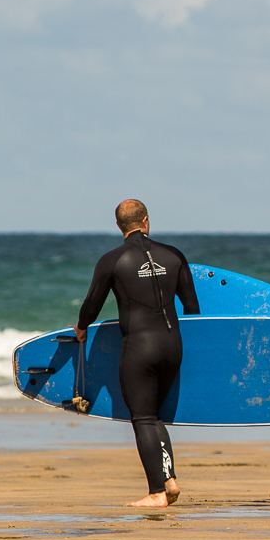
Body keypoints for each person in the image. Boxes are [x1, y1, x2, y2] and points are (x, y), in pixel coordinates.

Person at [76, 199, 201, 508]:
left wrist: (81, 327)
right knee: (155, 416)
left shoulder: (112, 260)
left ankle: (157, 492)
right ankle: (169, 481)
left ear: (119, 226)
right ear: (146, 220)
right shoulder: (174, 256)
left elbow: (92, 303)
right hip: (173, 347)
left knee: (143, 418)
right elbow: (192, 308)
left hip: (139, 347)